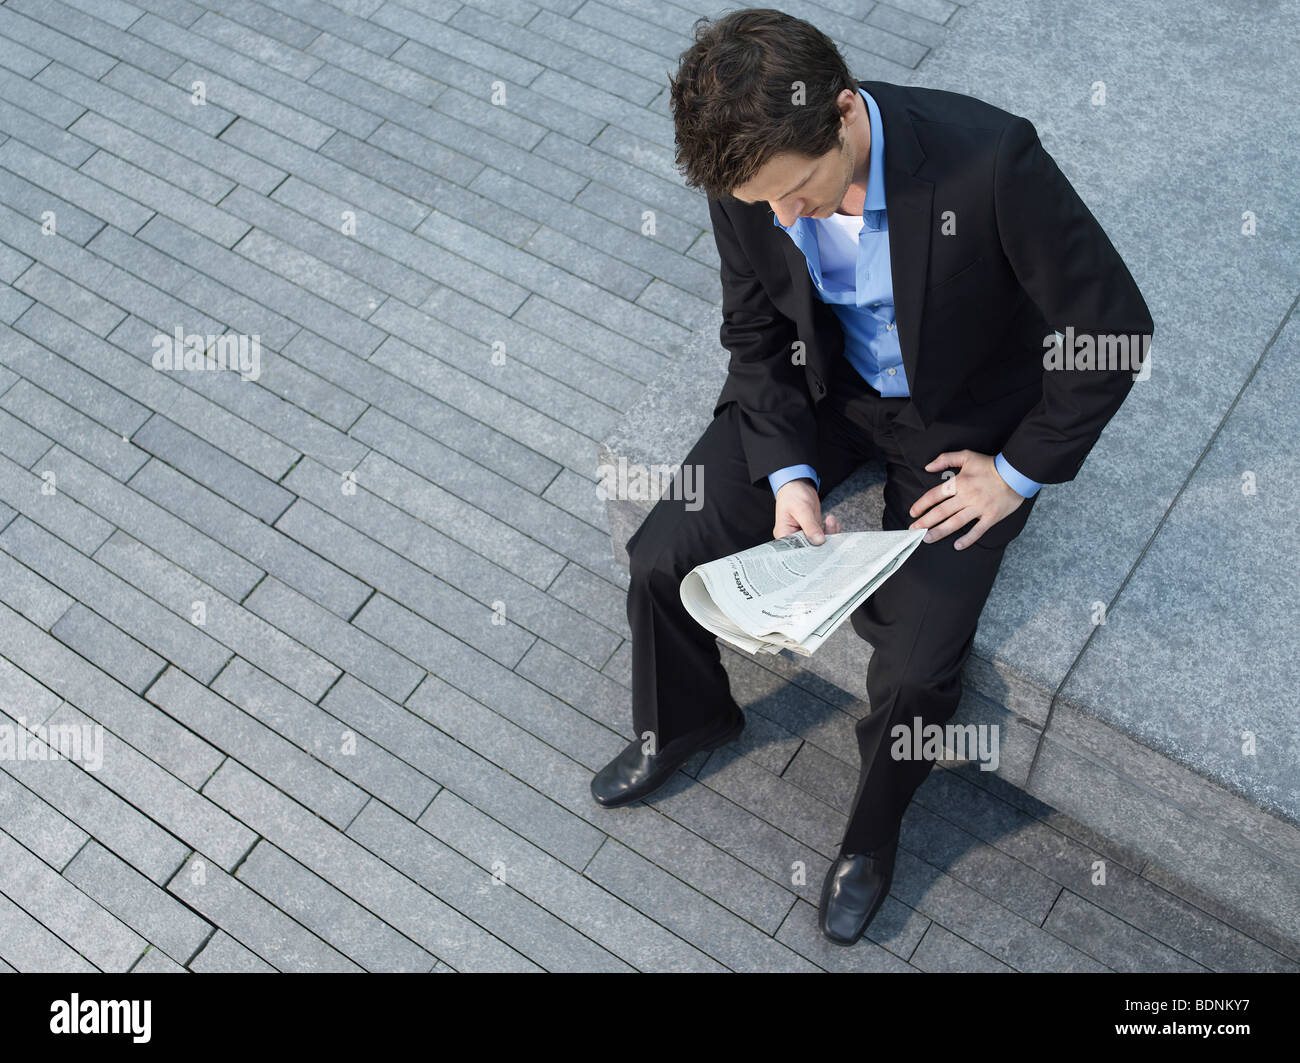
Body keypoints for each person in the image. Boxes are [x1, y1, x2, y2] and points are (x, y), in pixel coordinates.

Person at [590, 7, 1154, 946]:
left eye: (795, 194)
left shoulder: (990, 162)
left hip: (958, 422)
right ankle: (686, 721)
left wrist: (1015, 473)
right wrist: (788, 475)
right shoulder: (753, 172)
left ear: (845, 113)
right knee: (661, 550)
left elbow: (1115, 330)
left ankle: (871, 834)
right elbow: (757, 336)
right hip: (820, 390)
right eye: (760, 203)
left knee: (917, 665)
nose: (780, 218)